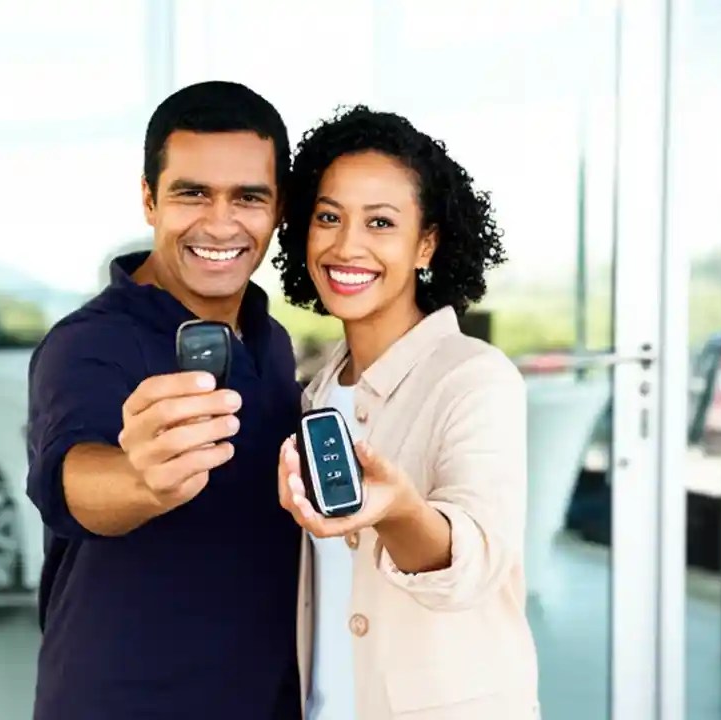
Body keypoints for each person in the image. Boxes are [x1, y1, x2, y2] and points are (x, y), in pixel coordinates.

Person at [25, 80, 304, 720]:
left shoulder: (272, 340)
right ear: (150, 199)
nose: (220, 223)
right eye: (192, 193)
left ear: (278, 210)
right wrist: (140, 478)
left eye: (249, 198)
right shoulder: (89, 344)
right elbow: (74, 479)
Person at [272, 106, 540, 719]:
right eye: (329, 217)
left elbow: (471, 560)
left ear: (427, 243)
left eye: (381, 222)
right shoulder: (317, 393)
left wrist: (400, 511)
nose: (347, 245)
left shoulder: (475, 377)